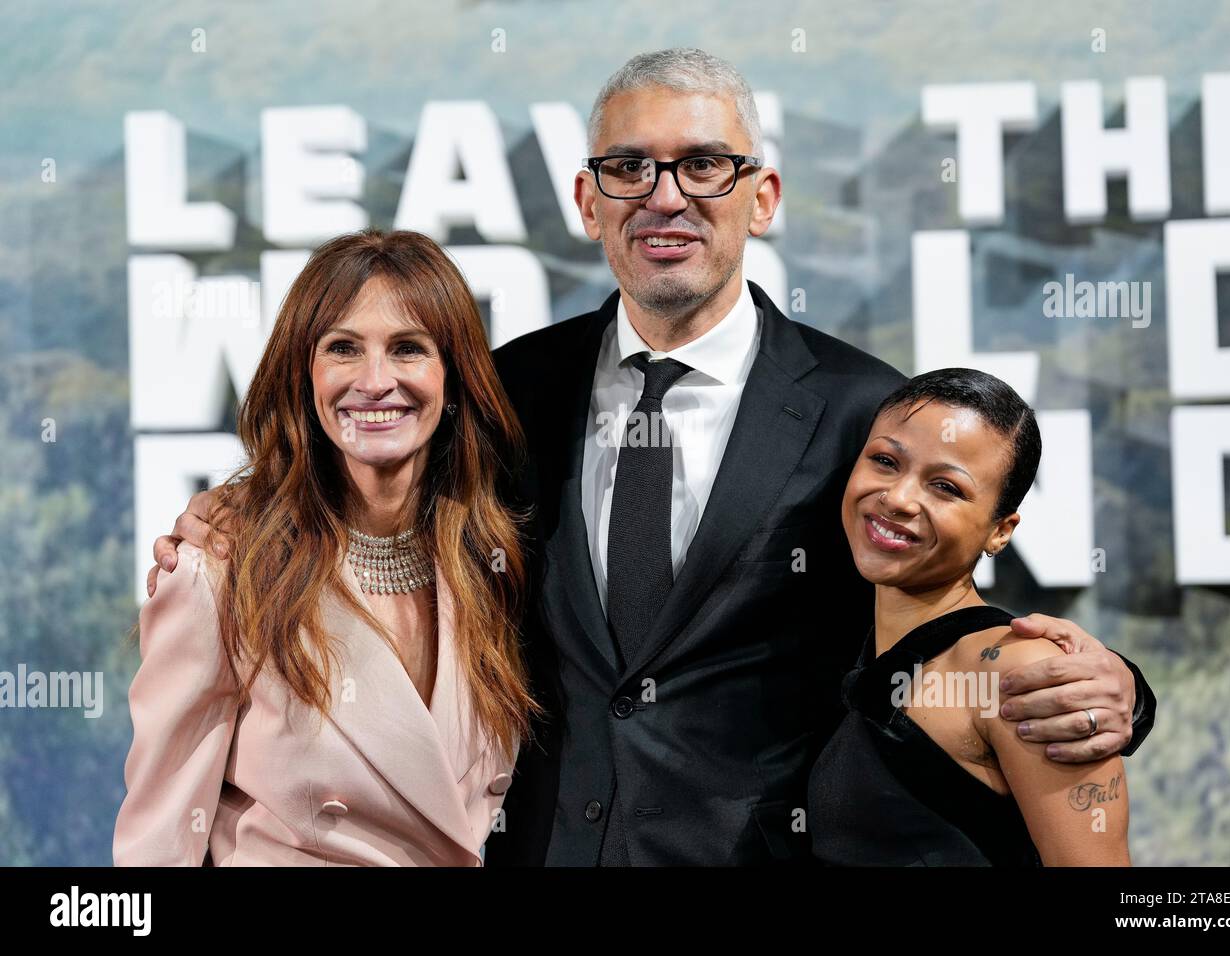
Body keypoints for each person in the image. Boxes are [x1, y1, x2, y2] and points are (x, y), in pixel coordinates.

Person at [148, 49, 1155, 867]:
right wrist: (238, 509)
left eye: (702, 164)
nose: (663, 196)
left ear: (760, 197)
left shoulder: (861, 410)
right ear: (589, 204)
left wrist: (1116, 684)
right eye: (629, 167)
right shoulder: (510, 392)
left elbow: (965, 616)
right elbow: (368, 472)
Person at [115, 229, 537, 866]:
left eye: (408, 349)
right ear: (303, 375)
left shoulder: (494, 563)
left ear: (451, 379)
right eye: (343, 348)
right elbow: (157, 843)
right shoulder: (220, 566)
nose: (374, 381)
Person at [809, 368, 1129, 866]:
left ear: (1000, 531)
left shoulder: (1019, 671)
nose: (897, 498)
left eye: (945, 487)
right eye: (885, 461)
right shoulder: (854, 649)